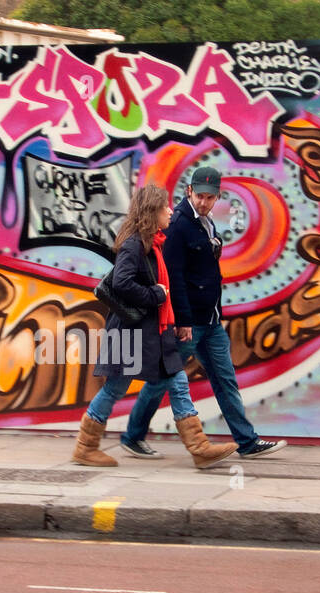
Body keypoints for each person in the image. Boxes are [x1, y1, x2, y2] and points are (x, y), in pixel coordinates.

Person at [120, 167, 287, 459]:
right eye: (199, 196)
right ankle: (133, 436)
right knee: (161, 379)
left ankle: (247, 443)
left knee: (225, 379)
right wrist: (181, 321)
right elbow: (175, 277)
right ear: (189, 192)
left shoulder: (206, 224)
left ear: (218, 196)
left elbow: (208, 272)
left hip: (210, 321)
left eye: (210, 198)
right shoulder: (179, 225)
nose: (204, 202)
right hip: (190, 322)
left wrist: (216, 312)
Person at [71, 184, 238, 470]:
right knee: (114, 389)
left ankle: (199, 448)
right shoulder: (134, 243)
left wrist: (170, 316)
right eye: (165, 207)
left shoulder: (153, 243)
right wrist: (156, 295)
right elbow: (122, 282)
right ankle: (86, 448)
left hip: (151, 333)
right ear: (152, 211)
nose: (170, 211)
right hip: (131, 333)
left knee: (177, 381)